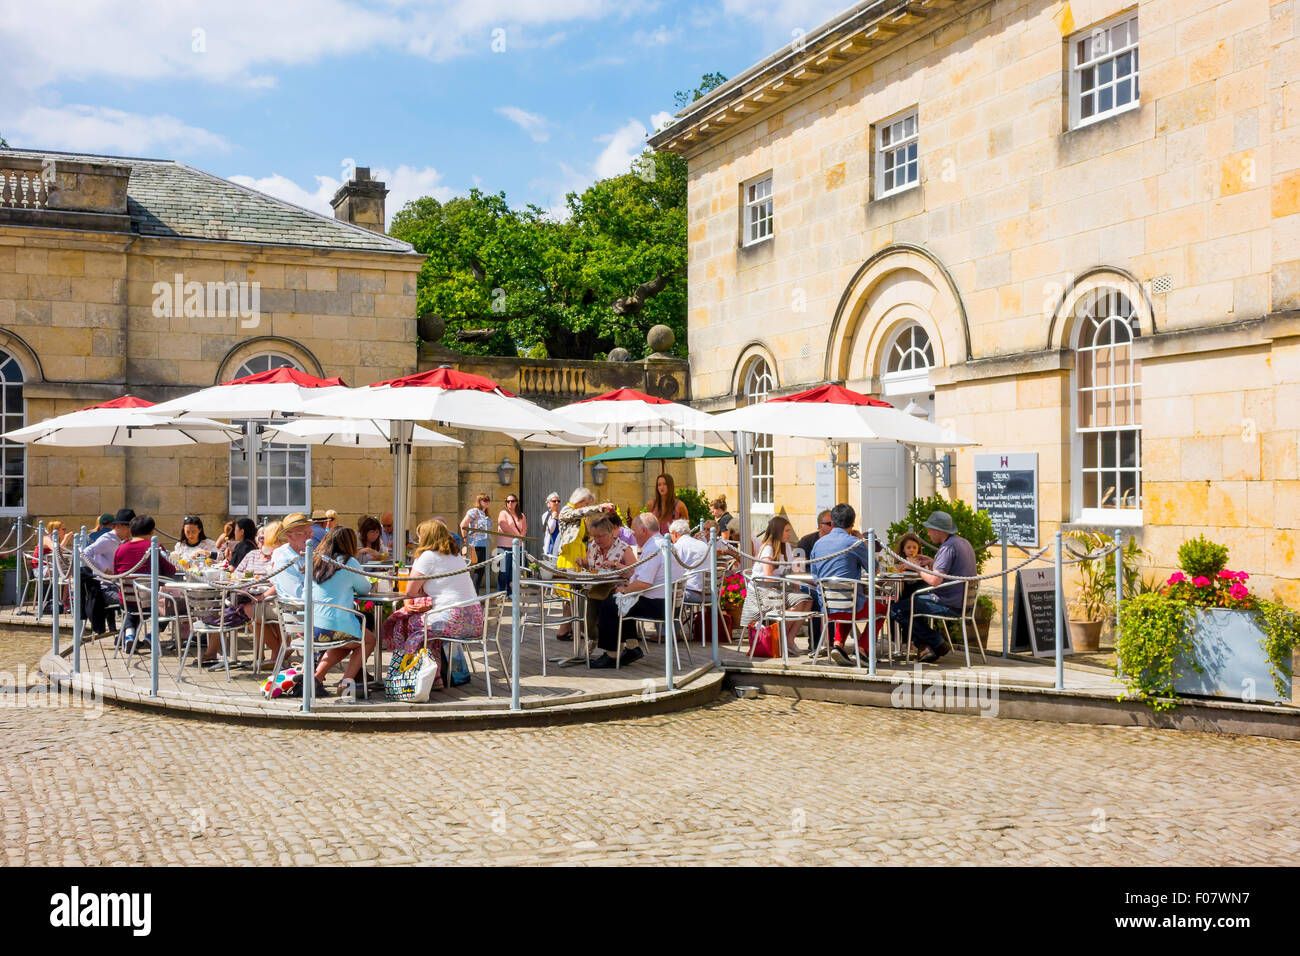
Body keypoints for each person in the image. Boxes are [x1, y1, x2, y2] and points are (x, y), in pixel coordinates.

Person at [383, 520, 482, 679]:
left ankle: (408, 676)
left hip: (453, 619)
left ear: (427, 537)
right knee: (428, 630)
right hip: (475, 620)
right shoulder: (455, 555)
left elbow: (410, 590)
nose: (418, 540)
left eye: (420, 536)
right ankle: (433, 677)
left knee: (405, 623)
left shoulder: (427, 556)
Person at [891, 512, 973, 663]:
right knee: (912, 604)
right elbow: (948, 572)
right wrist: (932, 562)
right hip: (962, 602)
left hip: (947, 603)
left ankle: (936, 642)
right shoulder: (962, 542)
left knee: (897, 609)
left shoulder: (947, 548)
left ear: (937, 530)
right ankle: (925, 647)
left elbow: (935, 580)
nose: (928, 533)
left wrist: (916, 568)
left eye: (929, 529)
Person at [811, 503, 887, 666]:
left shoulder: (818, 544)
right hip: (851, 608)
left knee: (844, 601)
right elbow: (874, 569)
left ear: (832, 522)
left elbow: (815, 575)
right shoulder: (854, 543)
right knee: (882, 608)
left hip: (827, 608)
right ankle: (862, 648)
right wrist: (863, 543)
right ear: (852, 524)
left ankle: (838, 644)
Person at [307, 527, 376, 694]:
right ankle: (346, 682)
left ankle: (317, 677)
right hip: (335, 624)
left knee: (344, 641)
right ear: (350, 543)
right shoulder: (349, 562)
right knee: (369, 640)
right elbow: (364, 589)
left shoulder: (315, 560)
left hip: (310, 626)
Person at [592, 513, 665, 668]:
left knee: (609, 605)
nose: (632, 533)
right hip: (667, 602)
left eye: (635, 530)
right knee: (623, 602)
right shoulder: (664, 543)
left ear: (644, 530)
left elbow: (643, 583)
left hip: (658, 604)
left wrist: (622, 592)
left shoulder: (654, 548)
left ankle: (611, 655)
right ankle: (632, 648)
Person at [742, 515, 814, 647]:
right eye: (786, 530)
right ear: (778, 531)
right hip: (762, 592)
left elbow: (792, 572)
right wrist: (790, 590)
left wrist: (810, 583)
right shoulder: (768, 549)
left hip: (778, 589)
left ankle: (789, 639)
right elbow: (768, 578)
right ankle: (779, 640)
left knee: (807, 600)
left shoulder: (785, 546)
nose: (789, 533)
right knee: (799, 602)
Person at [552, 487, 614, 641]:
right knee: (571, 597)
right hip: (568, 557)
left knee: (574, 597)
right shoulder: (567, 510)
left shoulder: (580, 517)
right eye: (585, 503)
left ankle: (566, 630)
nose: (585, 507)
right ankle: (573, 629)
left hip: (578, 555)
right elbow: (577, 513)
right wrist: (598, 508)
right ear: (578, 500)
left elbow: (587, 535)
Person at [113, 514, 178, 651]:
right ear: (152, 531)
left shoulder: (120, 549)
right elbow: (170, 571)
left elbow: (117, 574)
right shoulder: (155, 547)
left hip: (126, 600)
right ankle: (151, 636)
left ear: (131, 530)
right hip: (150, 601)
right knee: (175, 603)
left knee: (133, 607)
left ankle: (129, 635)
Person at [233, 520, 285, 666]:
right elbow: (236, 573)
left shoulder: (279, 554)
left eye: (265, 538)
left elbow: (278, 583)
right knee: (247, 610)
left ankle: (277, 654)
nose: (263, 542)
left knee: (249, 612)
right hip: (256, 595)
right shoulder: (252, 555)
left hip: (275, 600)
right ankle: (276, 656)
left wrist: (262, 596)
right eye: (260, 538)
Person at [80, 508, 134, 636]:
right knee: (132, 601)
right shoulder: (107, 539)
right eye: (129, 528)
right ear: (119, 526)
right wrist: (102, 569)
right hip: (105, 588)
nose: (131, 532)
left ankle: (126, 634)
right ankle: (128, 636)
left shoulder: (120, 540)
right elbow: (84, 553)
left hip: (115, 584)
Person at [270, 513, 313, 604]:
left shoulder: (309, 556)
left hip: (315, 609)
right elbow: (298, 596)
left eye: (310, 532)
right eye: (304, 533)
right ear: (289, 536)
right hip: (298, 613)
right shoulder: (284, 561)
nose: (309, 537)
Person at [668, 519, 709, 602]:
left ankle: (674, 615)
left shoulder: (678, 546)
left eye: (670, 535)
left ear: (675, 534)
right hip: (709, 593)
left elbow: (671, 572)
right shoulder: (703, 544)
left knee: (662, 592)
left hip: (691, 593)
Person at [459, 493, 493, 593]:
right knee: (477, 569)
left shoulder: (485, 514)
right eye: (484, 500)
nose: (487, 502)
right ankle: (473, 594)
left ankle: (474, 593)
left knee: (481, 570)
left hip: (484, 544)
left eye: (488, 500)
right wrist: (465, 539)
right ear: (479, 501)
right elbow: (463, 524)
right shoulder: (474, 511)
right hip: (476, 544)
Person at [495, 492, 527, 596]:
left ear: (516, 502)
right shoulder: (503, 513)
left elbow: (524, 530)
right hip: (503, 546)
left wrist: (519, 538)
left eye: (512, 501)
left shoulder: (521, 515)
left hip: (517, 547)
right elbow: (503, 526)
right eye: (507, 501)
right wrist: (517, 536)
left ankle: (510, 592)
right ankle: (500, 593)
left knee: (513, 572)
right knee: (503, 571)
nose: (510, 503)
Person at [540, 492, 562, 557]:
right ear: (548, 503)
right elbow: (550, 530)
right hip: (551, 544)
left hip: (561, 545)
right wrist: (553, 518)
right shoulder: (546, 515)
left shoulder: (562, 514)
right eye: (554, 501)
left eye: (558, 501)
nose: (557, 503)